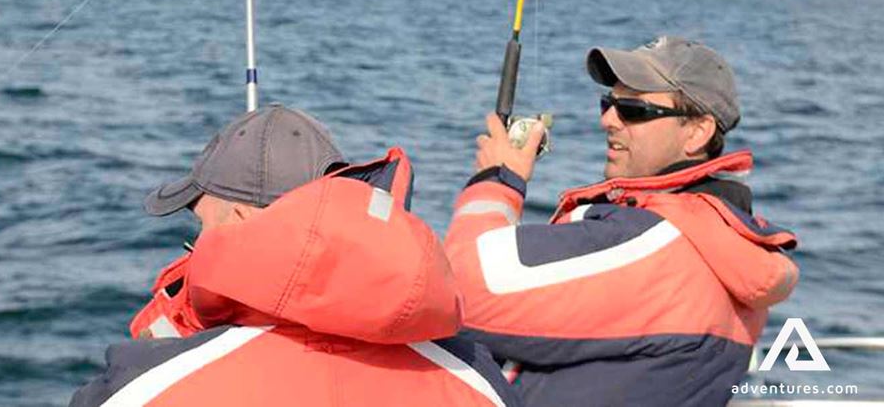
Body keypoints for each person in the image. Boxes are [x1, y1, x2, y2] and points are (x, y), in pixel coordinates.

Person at [71, 104, 520, 407]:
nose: (195, 251)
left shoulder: (143, 390)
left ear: (242, 223)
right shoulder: (479, 381)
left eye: (202, 230)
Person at [444, 36, 800, 407]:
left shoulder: (658, 244)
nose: (607, 120)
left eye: (633, 110)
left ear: (697, 132)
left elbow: (457, 289)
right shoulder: (720, 239)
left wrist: (497, 182)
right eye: (608, 103)